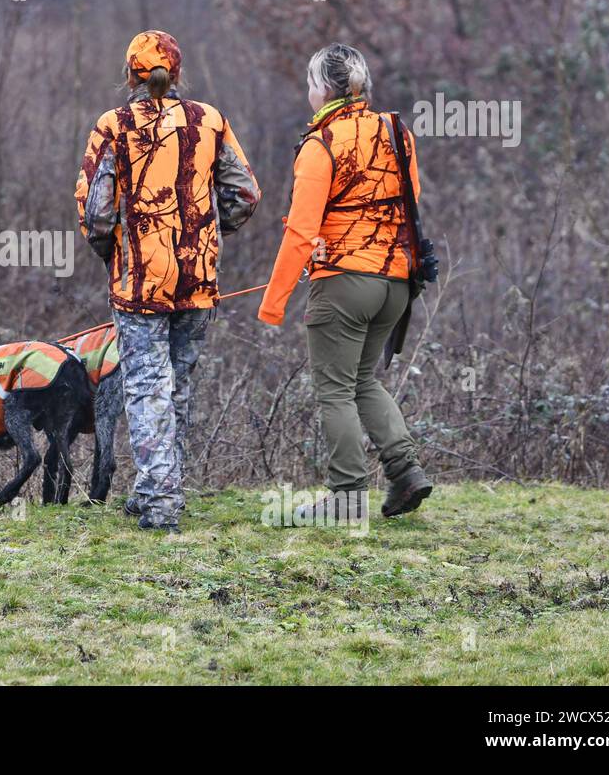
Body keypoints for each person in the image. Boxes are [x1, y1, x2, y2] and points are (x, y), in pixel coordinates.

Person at [76, 31, 261, 532]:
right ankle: (157, 486)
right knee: (176, 387)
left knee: (146, 387)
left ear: (129, 75)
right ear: (177, 73)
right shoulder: (210, 121)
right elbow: (244, 195)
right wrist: (205, 232)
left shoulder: (113, 126)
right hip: (198, 279)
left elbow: (96, 214)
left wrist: (112, 252)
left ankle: (160, 499)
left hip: (139, 282)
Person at [257, 43, 433, 523]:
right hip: (395, 283)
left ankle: (346, 496)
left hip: (344, 285)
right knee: (362, 380)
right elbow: (406, 203)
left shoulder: (321, 144)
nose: (308, 92)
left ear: (328, 91)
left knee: (334, 389)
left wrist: (273, 304)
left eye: (312, 83)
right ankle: (406, 472)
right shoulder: (397, 133)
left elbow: (300, 231)